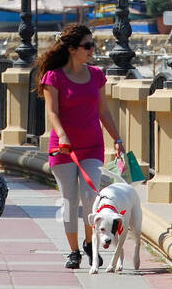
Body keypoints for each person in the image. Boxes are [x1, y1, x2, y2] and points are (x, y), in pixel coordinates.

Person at [35, 24, 123, 269]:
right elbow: (51, 112)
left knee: (90, 196)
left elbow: (103, 111)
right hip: (64, 149)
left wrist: (117, 139)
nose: (92, 50)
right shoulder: (53, 76)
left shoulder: (96, 75)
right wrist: (62, 135)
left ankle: (88, 242)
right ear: (72, 49)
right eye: (87, 46)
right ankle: (73, 251)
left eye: (93, 44)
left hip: (92, 146)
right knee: (69, 200)